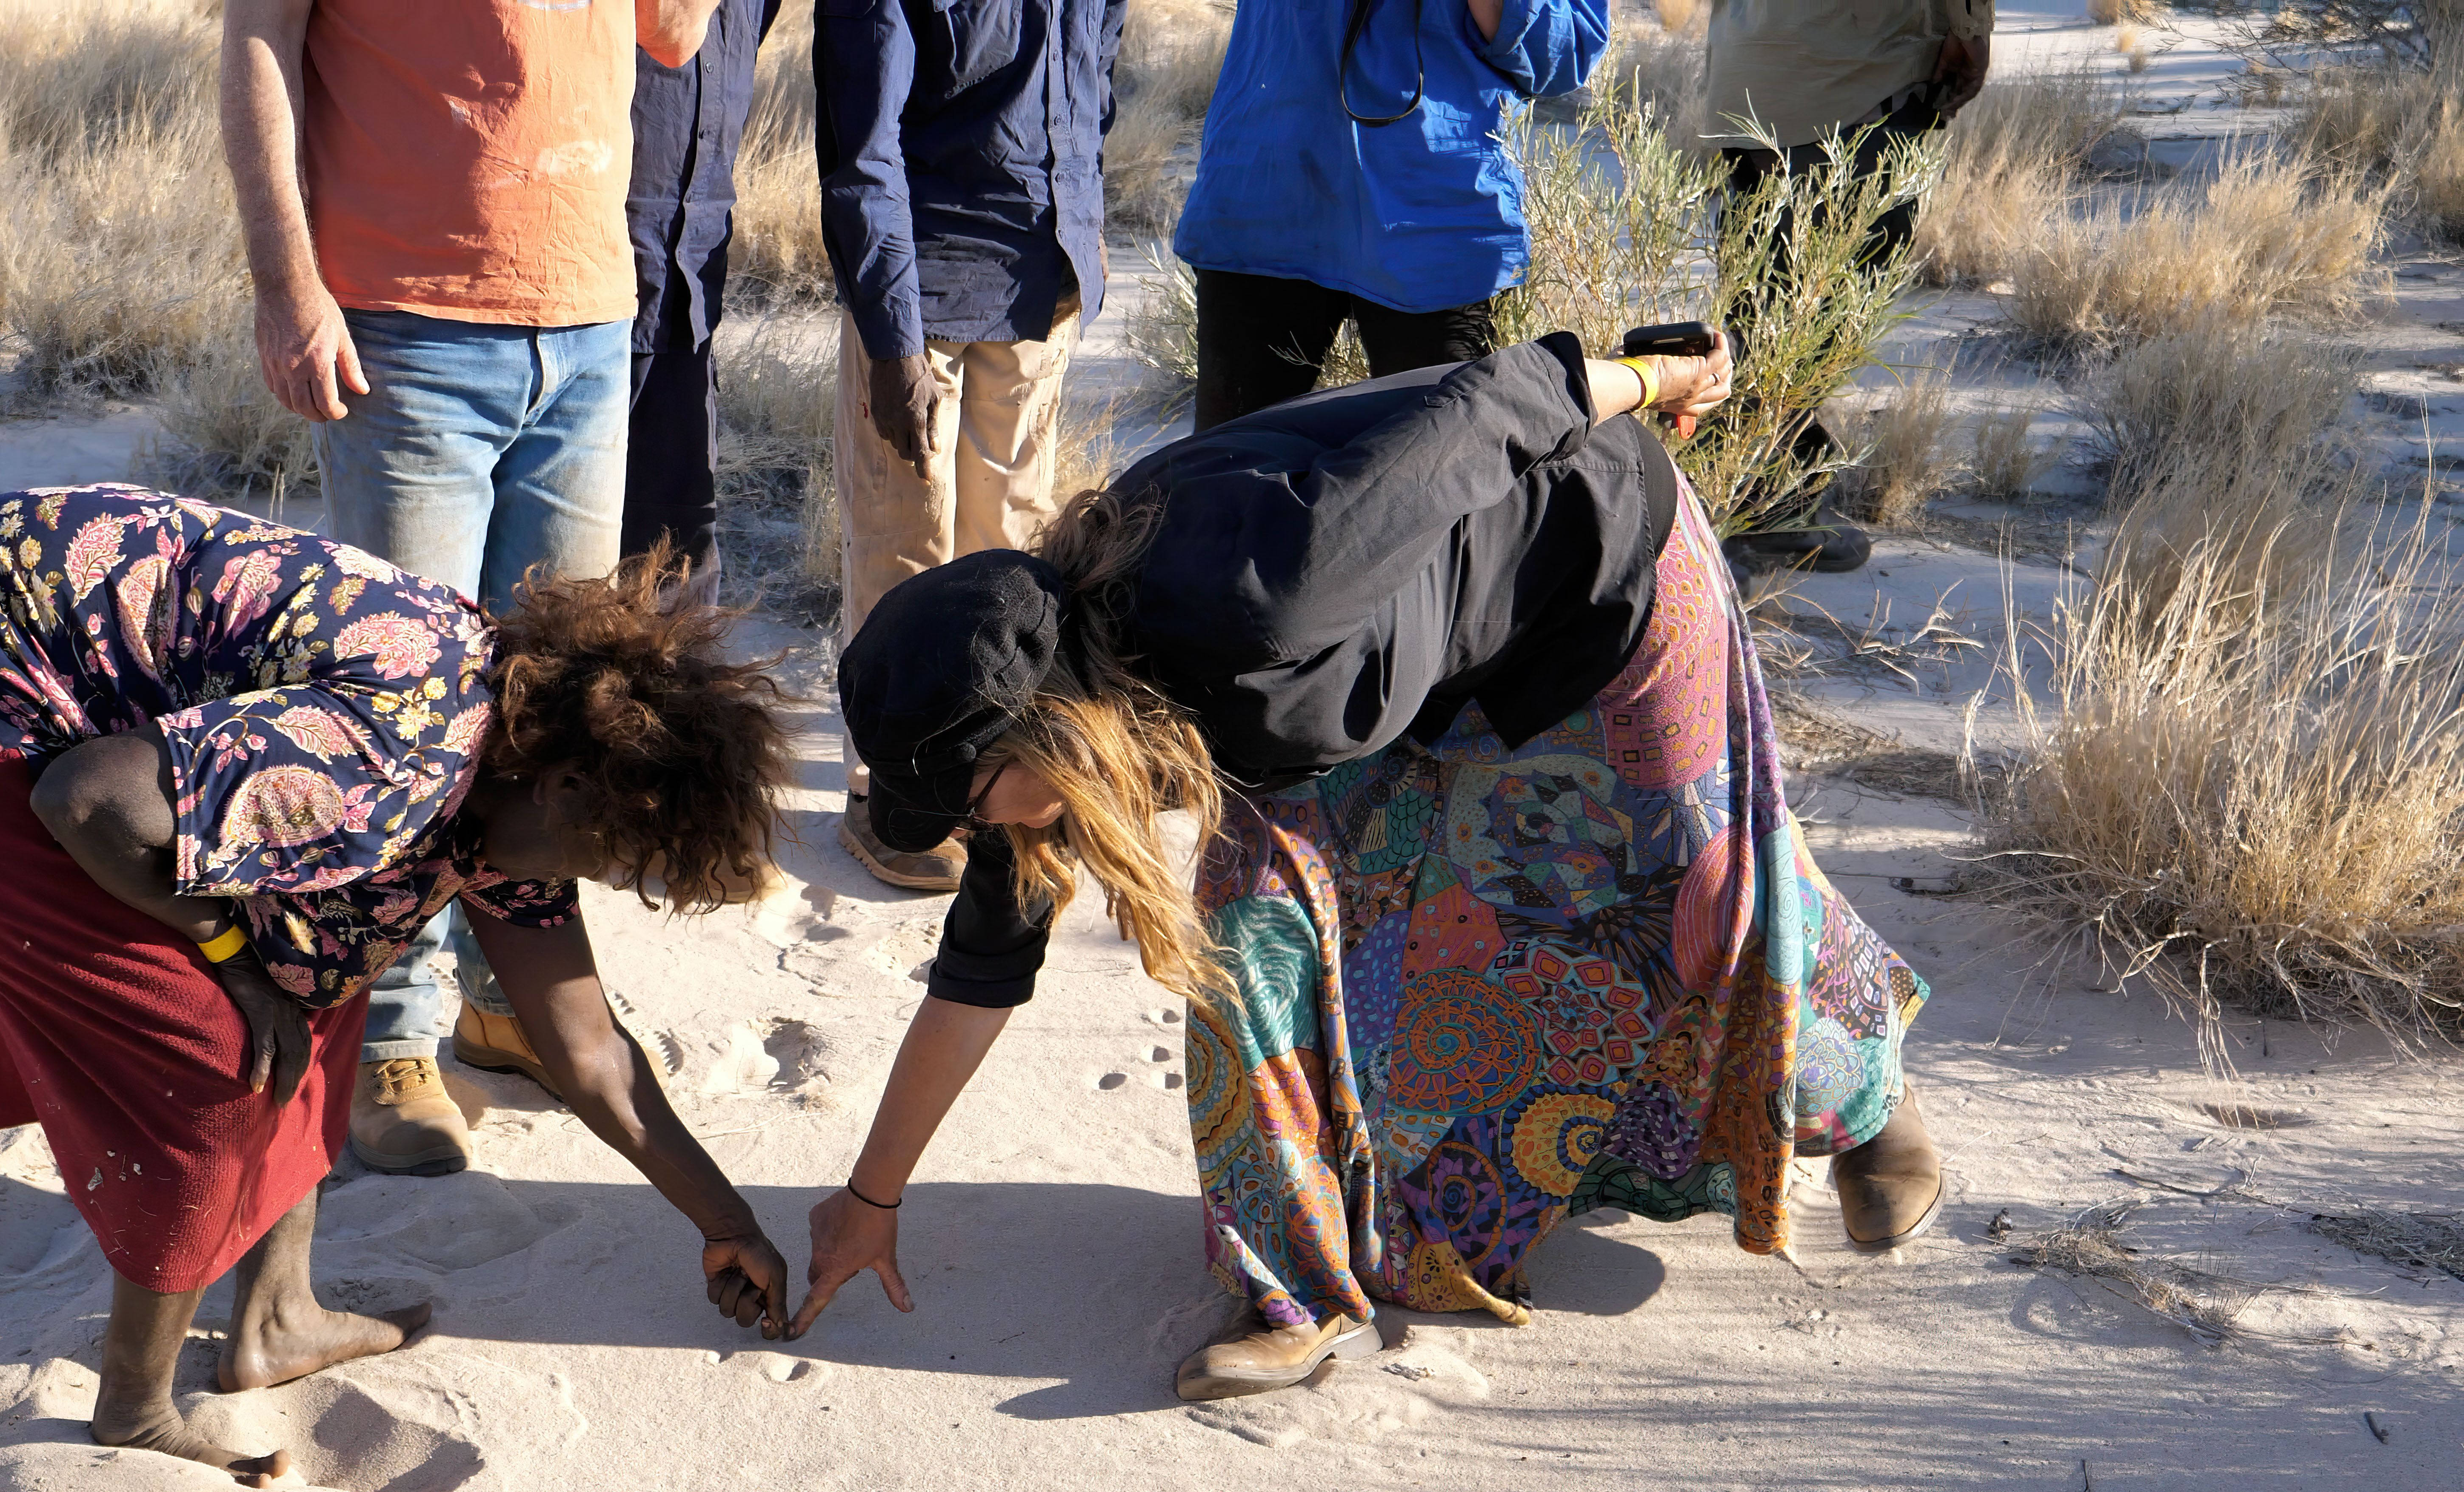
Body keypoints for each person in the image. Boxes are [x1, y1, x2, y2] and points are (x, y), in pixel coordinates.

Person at [787, 335, 1947, 1399]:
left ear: (1044, 735)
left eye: (966, 802)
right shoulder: (1081, 718)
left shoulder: (1259, 594)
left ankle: (1864, 1102)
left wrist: (1660, 378)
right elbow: (983, 968)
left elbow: (1491, 406)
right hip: (1390, 675)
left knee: (1696, 894)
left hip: (1601, 576)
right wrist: (870, 1199)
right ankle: (1293, 1290)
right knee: (1246, 937)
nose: (963, 831)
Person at [0, 486, 795, 1483]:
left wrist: (730, 1225)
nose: (581, 879)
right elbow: (88, 799)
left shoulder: (522, 761)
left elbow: (589, 1049)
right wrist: (230, 962)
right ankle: (136, 1407)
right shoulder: (397, 761)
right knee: (212, 1062)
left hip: (42, 653)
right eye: (602, 858)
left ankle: (277, 1319)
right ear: (568, 787)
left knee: (322, 965)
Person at [222, 0, 721, 1176]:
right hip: (406, 328)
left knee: (553, 712)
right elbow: (257, 42)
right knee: (403, 724)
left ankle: (506, 1008)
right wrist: (287, 287)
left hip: (591, 319)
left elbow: (676, 36)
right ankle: (390, 1037)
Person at [815, 0, 1121, 895]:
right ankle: (892, 796)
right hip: (923, 298)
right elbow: (860, 146)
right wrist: (890, 339)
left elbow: (1094, 86)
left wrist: (1084, 229)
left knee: (1014, 558)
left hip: (1040, 280)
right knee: (902, 555)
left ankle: (996, 774)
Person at [1174, 0, 1607, 434]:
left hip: (1434, 217)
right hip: (1266, 190)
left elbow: (1562, 57)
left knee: (1437, 475)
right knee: (1228, 477)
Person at [1699, 0, 1993, 574]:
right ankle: (1768, 512)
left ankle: (1722, 495)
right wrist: (1972, 30)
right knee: (1823, 303)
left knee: (1757, 300)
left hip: (1746, 67)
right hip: (1853, 74)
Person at [625, 0, 779, 608]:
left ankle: (675, 702)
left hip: (690, 285)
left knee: (677, 563)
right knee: (562, 569)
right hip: (584, 289)